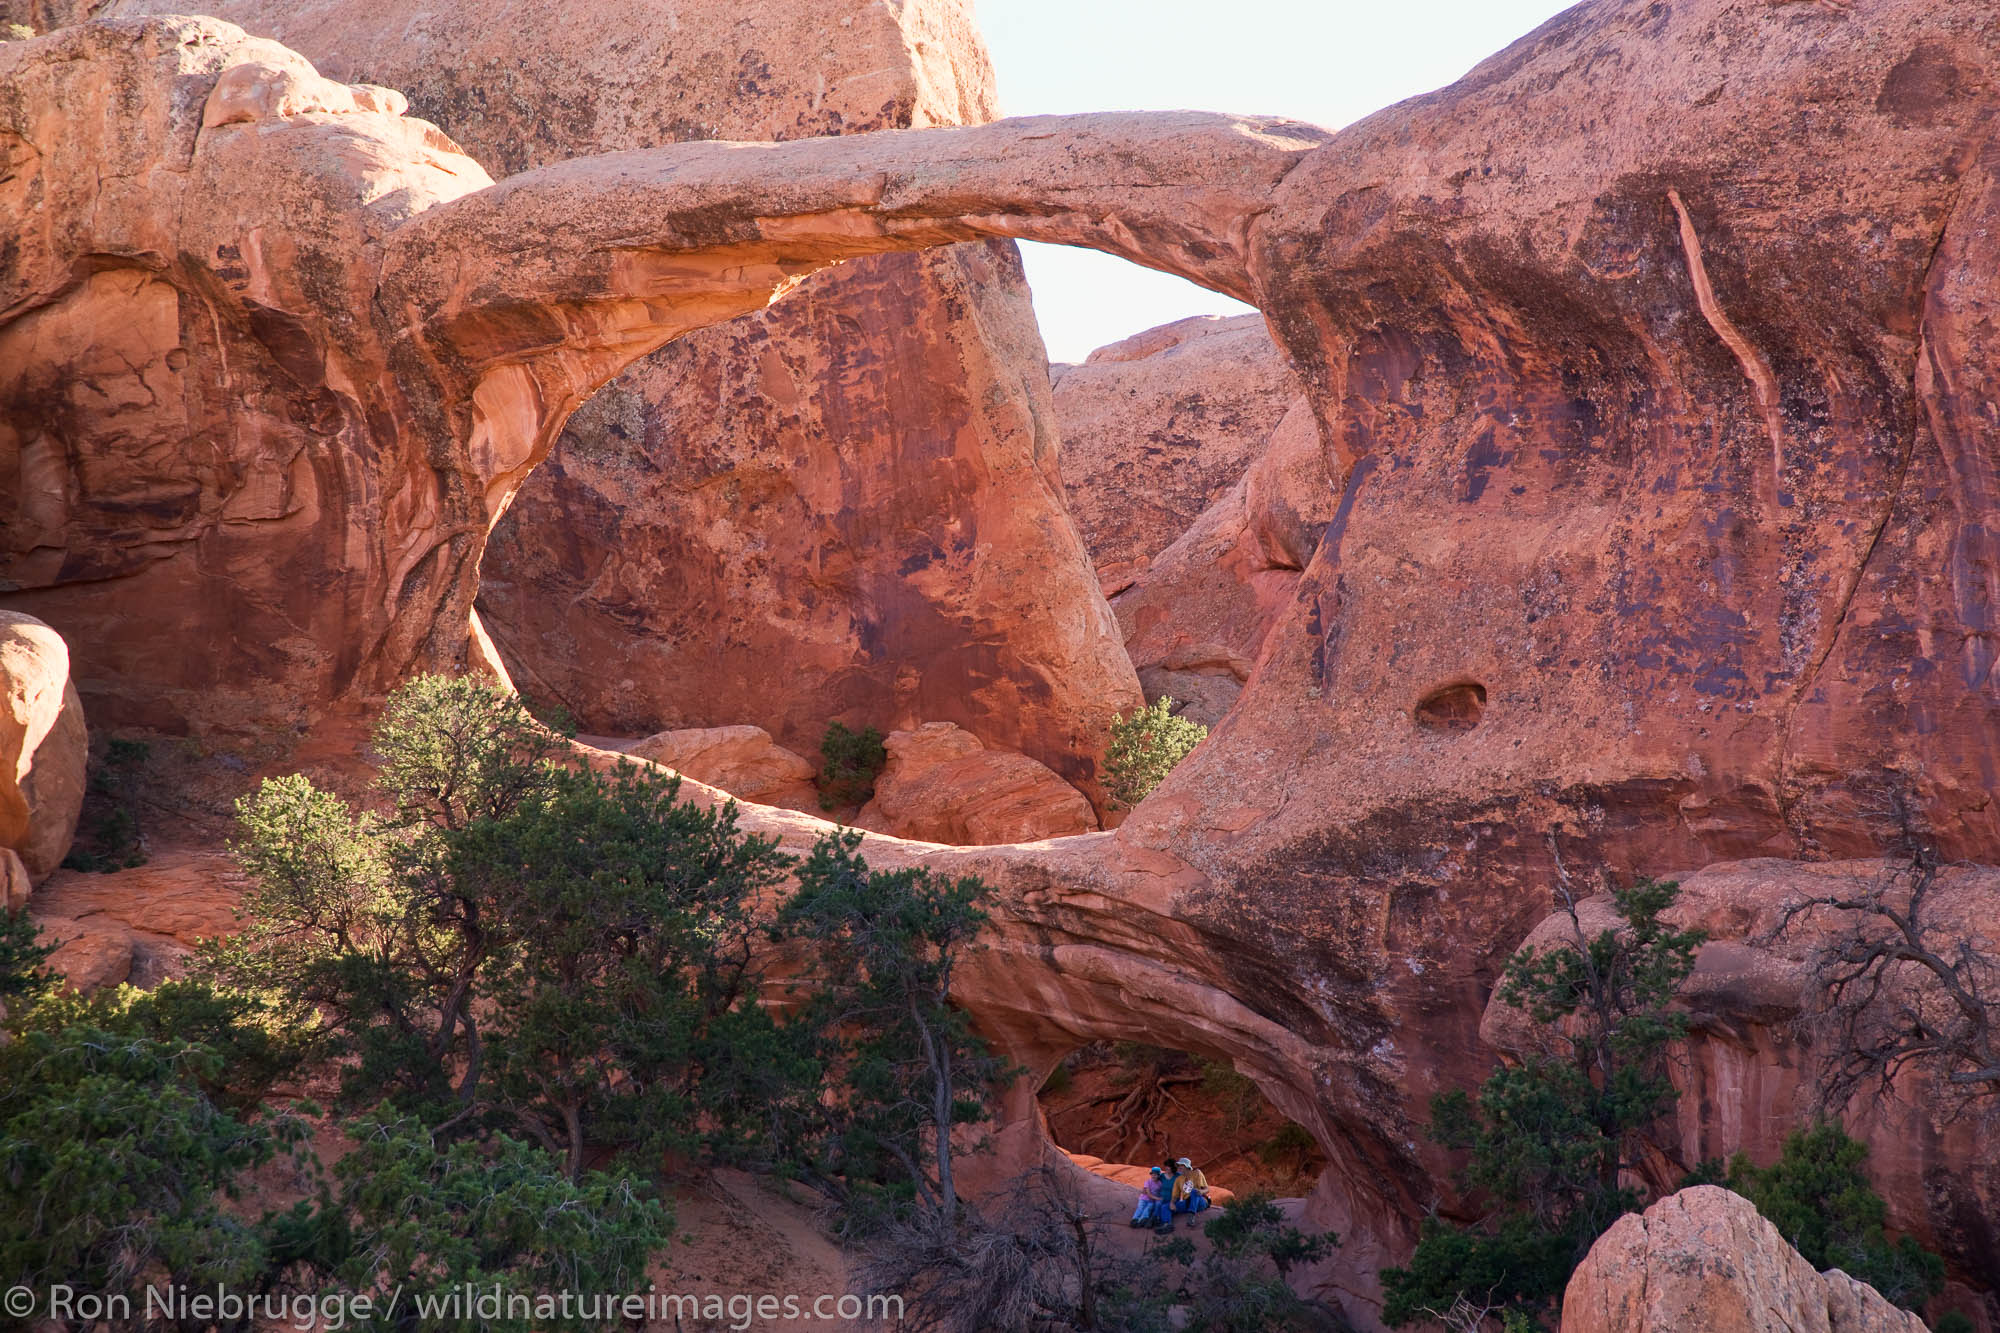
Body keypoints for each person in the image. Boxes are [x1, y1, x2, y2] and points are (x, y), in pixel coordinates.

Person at [1169, 1157, 1210, 1227]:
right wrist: (1172, 1203)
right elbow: (1175, 1195)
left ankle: (1191, 1216)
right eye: (1178, 1165)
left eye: (1181, 1165)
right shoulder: (1178, 1179)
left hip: (1200, 1202)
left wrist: (1201, 1191)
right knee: (1168, 1206)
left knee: (1194, 1191)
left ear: (1187, 1166)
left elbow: (1207, 1189)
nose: (1179, 1167)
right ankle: (1164, 1222)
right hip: (1187, 1203)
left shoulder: (1197, 1173)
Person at [1130, 1167, 1173, 1233]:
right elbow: (1148, 1194)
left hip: (1151, 1201)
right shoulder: (1148, 1182)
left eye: (1155, 1175)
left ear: (1159, 1176)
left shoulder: (1160, 1183)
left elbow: (1161, 1191)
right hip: (1144, 1199)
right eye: (1152, 1174)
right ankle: (1135, 1219)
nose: (1153, 1176)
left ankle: (1142, 1220)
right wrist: (1158, 1198)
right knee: (1140, 1208)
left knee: (1148, 1209)